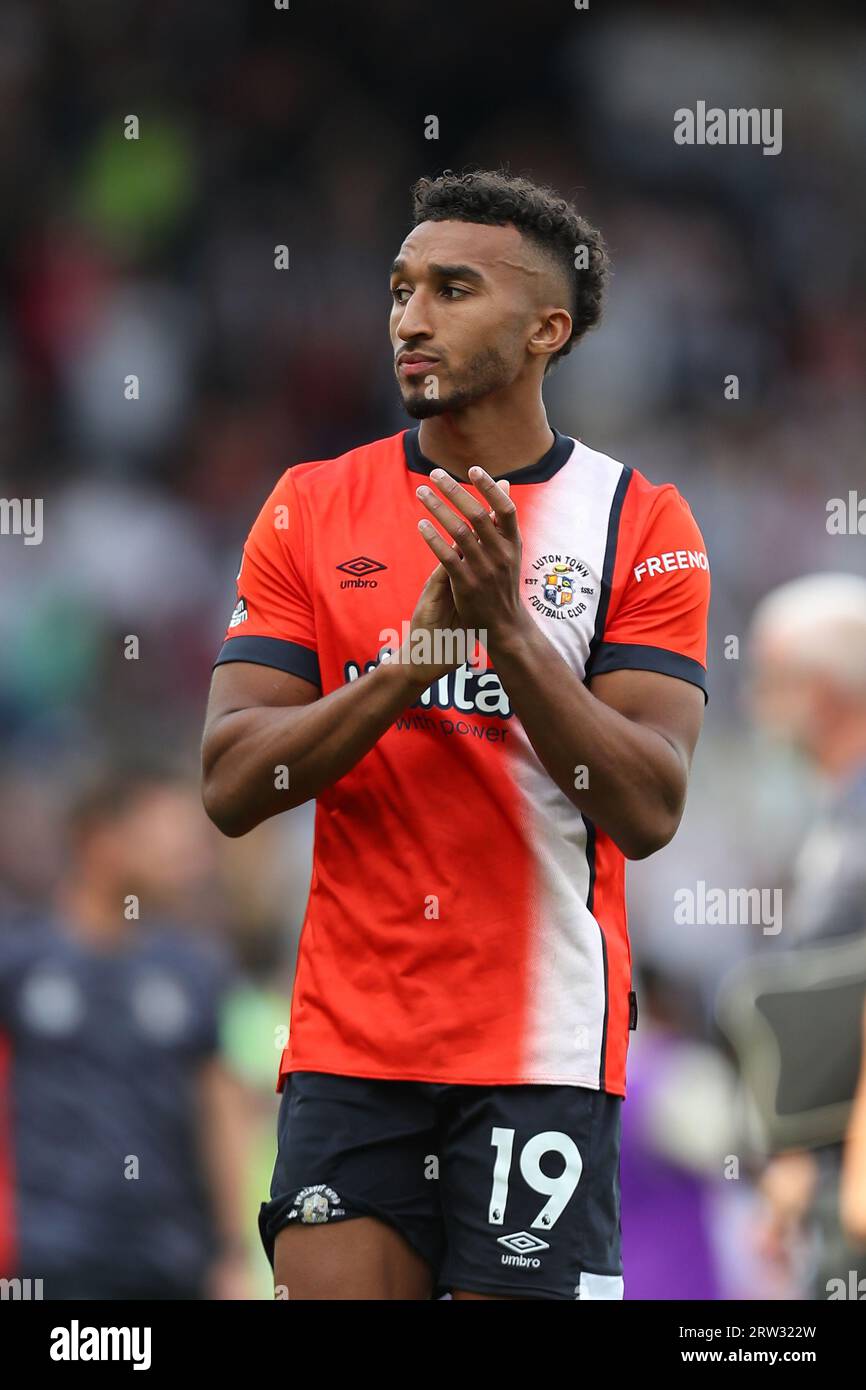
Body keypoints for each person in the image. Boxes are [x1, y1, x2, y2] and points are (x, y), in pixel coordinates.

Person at [201, 168, 711, 1301]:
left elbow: (647, 805)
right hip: (349, 1041)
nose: (408, 316)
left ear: (546, 327)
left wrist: (508, 636)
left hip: (539, 1051)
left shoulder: (640, 521)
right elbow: (233, 780)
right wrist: (413, 662)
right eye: (396, 288)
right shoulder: (309, 505)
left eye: (450, 287)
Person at [0, 766, 251, 1300]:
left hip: (169, 1256)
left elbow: (220, 1110)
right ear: (101, 838)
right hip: (46, 1255)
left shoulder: (194, 969)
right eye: (167, 837)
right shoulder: (18, 960)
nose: (188, 859)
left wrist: (232, 1252)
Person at [747, 572, 866, 1297]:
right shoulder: (834, 812)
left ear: (821, 689)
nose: (753, 703)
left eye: (769, 679)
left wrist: (851, 1164)